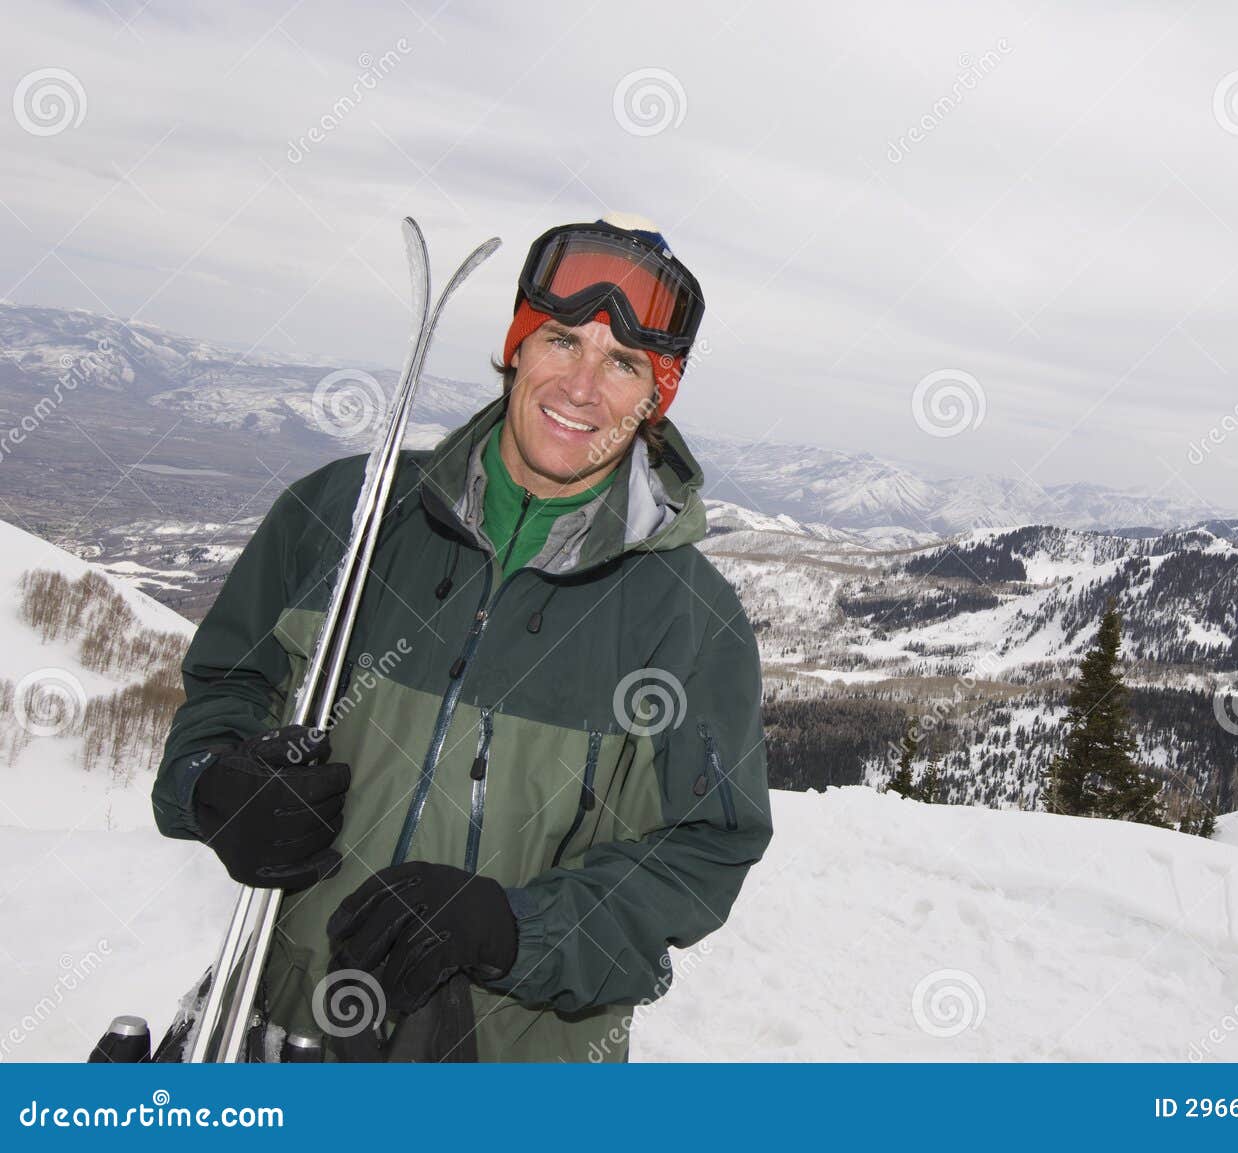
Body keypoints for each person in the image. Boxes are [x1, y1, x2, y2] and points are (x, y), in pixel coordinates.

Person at [151, 212, 772, 1062]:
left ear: (653, 399)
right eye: (562, 340)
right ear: (517, 345)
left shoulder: (693, 622)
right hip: (278, 1026)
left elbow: (704, 851)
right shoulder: (343, 513)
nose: (583, 387)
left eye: (623, 364)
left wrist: (515, 929)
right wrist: (213, 786)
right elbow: (222, 693)